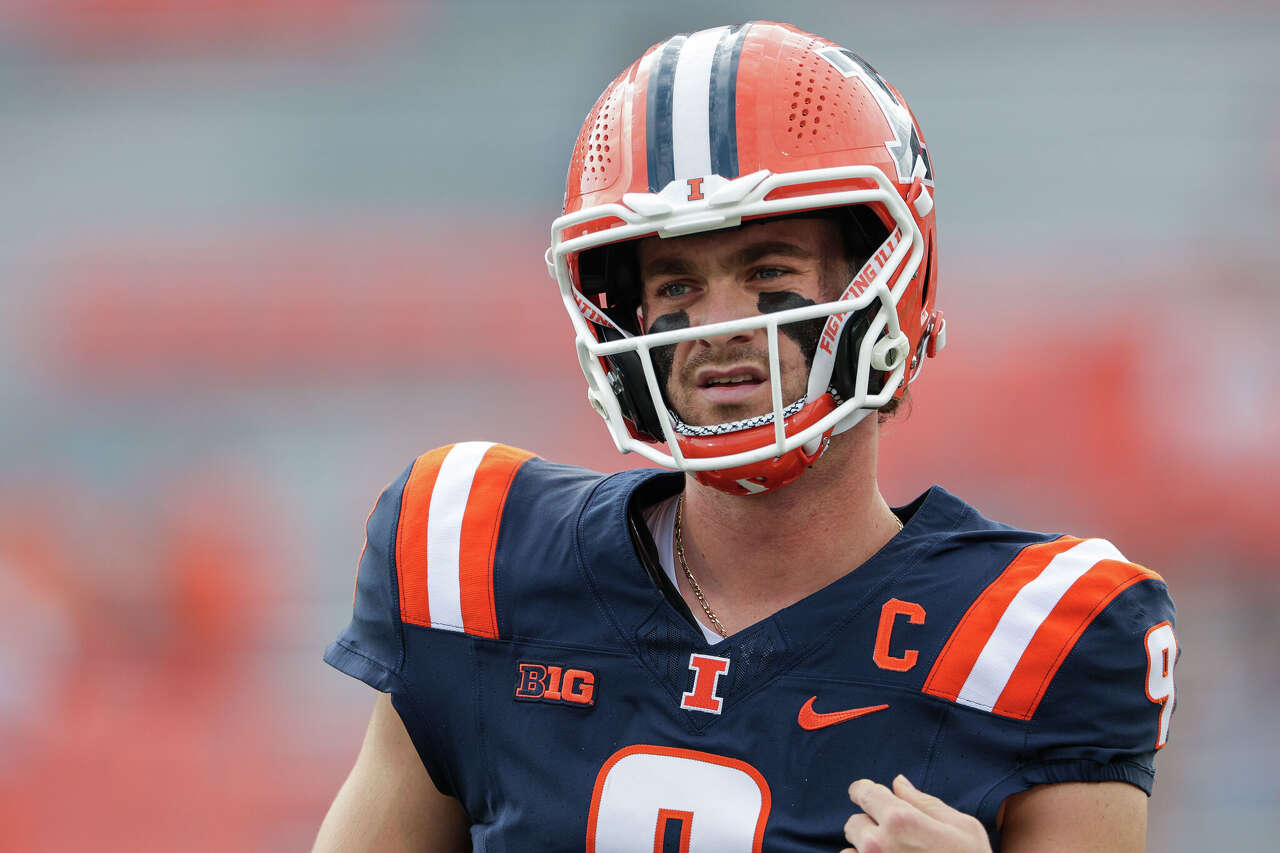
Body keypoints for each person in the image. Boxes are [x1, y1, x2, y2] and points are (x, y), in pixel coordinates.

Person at [315, 21, 1177, 852]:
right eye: (677, 282)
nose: (717, 325)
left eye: (767, 270)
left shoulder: (1036, 636)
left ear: (885, 284)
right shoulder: (484, 560)